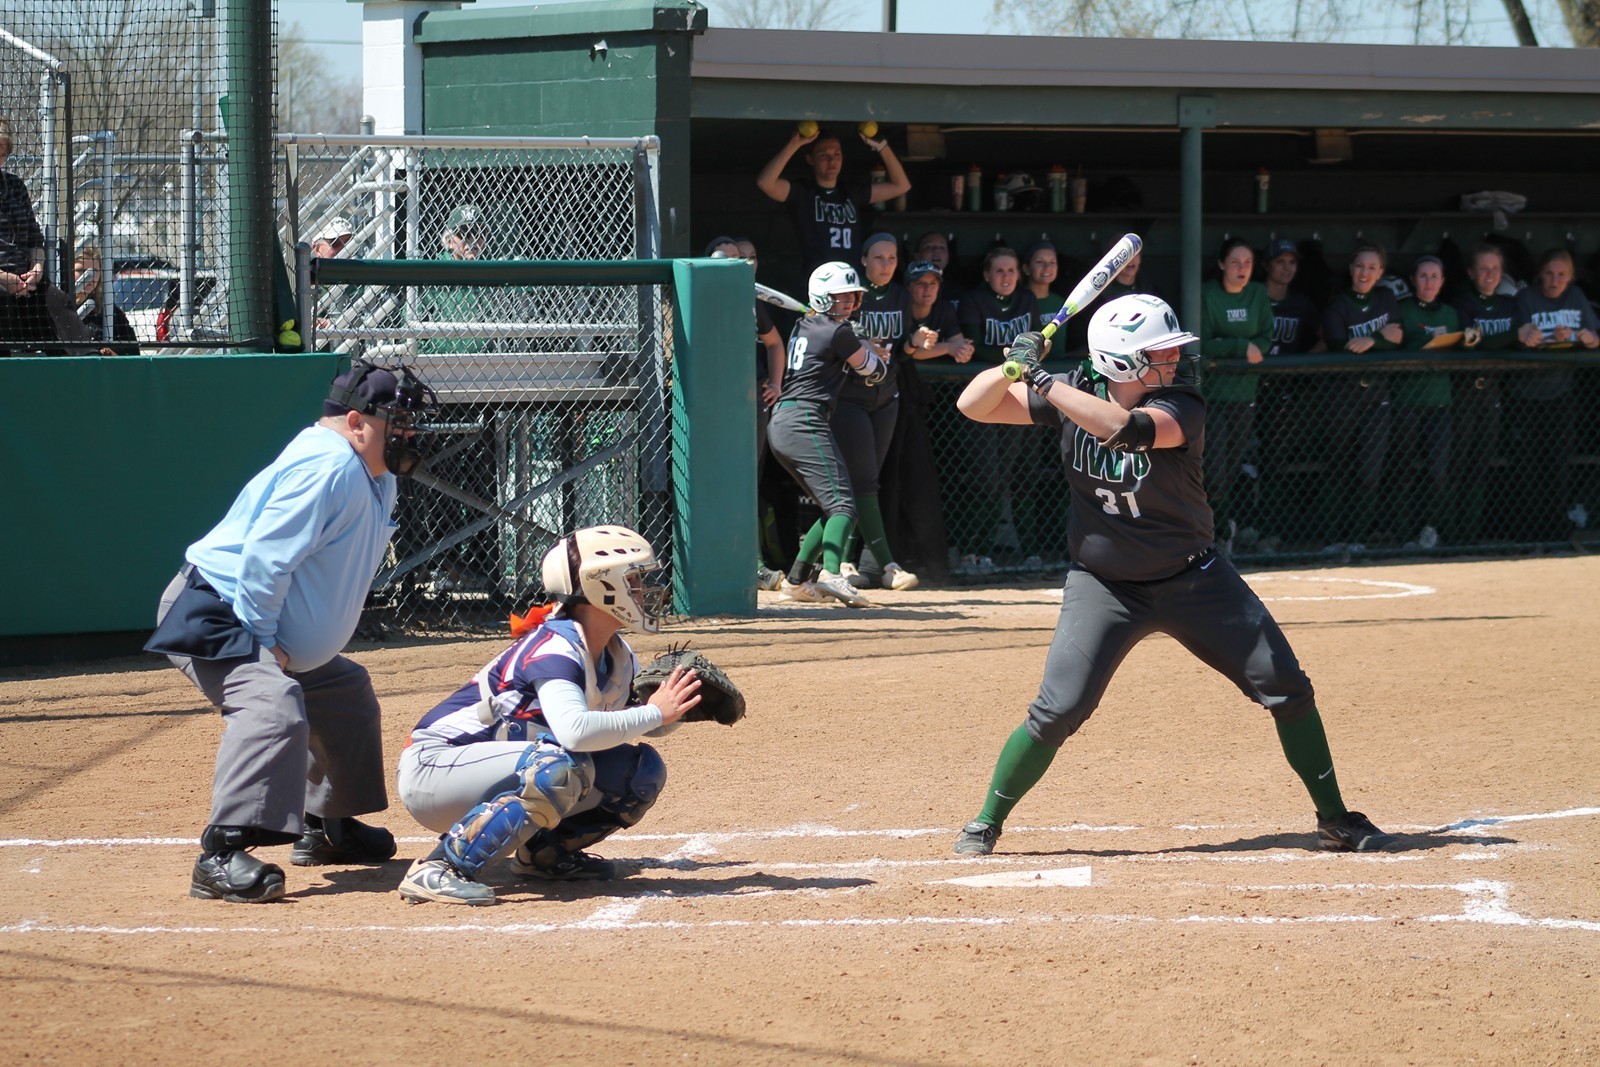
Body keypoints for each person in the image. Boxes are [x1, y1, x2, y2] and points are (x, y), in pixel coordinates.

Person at [949, 293, 1400, 859]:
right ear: (1120, 362)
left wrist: (1042, 378)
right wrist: (1012, 364)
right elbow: (974, 405)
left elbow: (1126, 429)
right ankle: (986, 820)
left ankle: (1335, 817)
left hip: (1194, 579)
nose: (1174, 360)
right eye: (1160, 353)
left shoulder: (1183, 403)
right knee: (1058, 709)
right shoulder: (1069, 392)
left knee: (1288, 687)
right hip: (1104, 585)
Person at [145, 359, 438, 903]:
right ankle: (221, 852)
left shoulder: (370, 471)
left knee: (345, 694)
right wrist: (262, 638)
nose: (409, 434)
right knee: (270, 704)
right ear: (356, 421)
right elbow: (266, 559)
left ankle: (328, 826)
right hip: (218, 609)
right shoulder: (326, 468)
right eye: (397, 423)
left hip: (253, 616)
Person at [394, 525, 701, 905]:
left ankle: (544, 856)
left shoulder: (615, 653)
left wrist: (678, 709)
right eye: (633, 580)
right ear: (600, 586)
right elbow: (575, 732)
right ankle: (440, 868)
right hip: (435, 770)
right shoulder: (555, 647)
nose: (642, 591)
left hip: (489, 767)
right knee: (560, 765)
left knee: (637, 771)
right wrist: (655, 712)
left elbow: (622, 725)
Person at [768, 261, 888, 608]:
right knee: (842, 505)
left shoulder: (804, 325)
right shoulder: (838, 332)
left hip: (787, 422)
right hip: (805, 420)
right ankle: (833, 574)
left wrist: (858, 342)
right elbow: (874, 372)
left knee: (831, 505)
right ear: (822, 297)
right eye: (840, 296)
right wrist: (872, 352)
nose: (849, 301)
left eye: (852, 295)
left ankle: (795, 581)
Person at [834, 232, 918, 590]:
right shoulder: (853, 296)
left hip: (887, 396)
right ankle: (844, 562)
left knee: (869, 481)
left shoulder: (900, 294)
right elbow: (841, 336)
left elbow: (905, 345)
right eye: (879, 258)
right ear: (864, 260)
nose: (886, 264)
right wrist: (865, 346)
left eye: (892, 258)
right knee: (856, 482)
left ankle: (862, 564)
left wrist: (919, 342)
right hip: (850, 397)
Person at [708, 235, 788, 591]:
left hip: (749, 401)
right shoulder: (698, 294)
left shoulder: (754, 301)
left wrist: (774, 383)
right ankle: (713, 565)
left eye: (742, 259)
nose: (737, 264)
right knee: (712, 481)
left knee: (747, 482)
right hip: (709, 404)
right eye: (725, 258)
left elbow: (774, 343)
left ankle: (751, 565)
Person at [1508, 248, 1600, 541]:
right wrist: (1539, 337)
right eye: (1549, 273)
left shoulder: (1576, 298)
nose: (1554, 280)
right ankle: (1528, 531)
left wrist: (1585, 338)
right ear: (1539, 274)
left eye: (1561, 274)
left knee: (1557, 463)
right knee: (1527, 465)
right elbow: (1520, 336)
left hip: (1562, 392)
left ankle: (1556, 530)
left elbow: (1593, 335)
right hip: (1526, 394)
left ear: (1571, 277)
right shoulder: (1525, 298)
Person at [955, 246, 1038, 567]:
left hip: (1017, 396)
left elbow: (1032, 343)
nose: (1006, 277)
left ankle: (1025, 551)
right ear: (987, 274)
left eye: (1011, 270)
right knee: (986, 478)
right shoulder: (974, 300)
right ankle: (971, 550)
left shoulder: (1026, 300)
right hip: (984, 398)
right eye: (999, 271)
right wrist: (1011, 358)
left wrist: (1012, 360)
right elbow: (976, 348)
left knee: (1013, 475)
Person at [1318, 242, 1403, 551]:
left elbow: (1398, 340)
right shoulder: (1338, 305)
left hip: (1377, 397)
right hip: (1342, 396)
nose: (1364, 273)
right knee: (1338, 466)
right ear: (1351, 269)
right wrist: (1380, 338)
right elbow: (1342, 347)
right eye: (1359, 266)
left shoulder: (1386, 298)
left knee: (1370, 469)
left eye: (1372, 268)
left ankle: (1357, 538)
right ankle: (1330, 537)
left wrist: (1372, 340)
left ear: (1380, 272)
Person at [1198, 237, 1274, 550]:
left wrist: (1249, 347)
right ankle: (1209, 533)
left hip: (1246, 394)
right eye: (1234, 262)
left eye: (1247, 263)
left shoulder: (1257, 294)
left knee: (1230, 469)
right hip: (1211, 397)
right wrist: (1241, 346)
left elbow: (1266, 339)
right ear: (1221, 264)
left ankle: (1223, 532)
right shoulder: (1206, 294)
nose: (1241, 269)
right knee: (1213, 472)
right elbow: (1201, 343)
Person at [756, 126, 910, 276]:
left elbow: (901, 185)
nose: (832, 161)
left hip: (850, 279)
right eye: (824, 155)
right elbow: (765, 182)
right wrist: (794, 144)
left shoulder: (851, 192)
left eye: (837, 154)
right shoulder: (803, 192)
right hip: (817, 280)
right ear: (810, 159)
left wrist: (882, 146)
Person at [1392, 255, 1462, 548]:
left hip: (1440, 402)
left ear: (1443, 281)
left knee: (1438, 470)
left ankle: (1431, 528)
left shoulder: (1449, 313)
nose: (1429, 282)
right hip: (1407, 401)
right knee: (1403, 467)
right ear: (1413, 279)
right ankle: (1401, 531)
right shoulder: (1401, 310)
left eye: (1435, 276)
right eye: (1423, 276)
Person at [1449, 245, 1517, 542]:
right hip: (1463, 392)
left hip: (1493, 393)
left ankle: (1472, 535)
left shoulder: (1509, 304)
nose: (1489, 275)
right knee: (1457, 464)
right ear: (1471, 272)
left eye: (1495, 269)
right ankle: (1450, 534)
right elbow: (1471, 340)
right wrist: (1513, 335)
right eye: (1483, 268)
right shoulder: (1461, 303)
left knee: (1480, 465)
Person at [0, 116, 64, 355]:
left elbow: (35, 237)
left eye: (3, 153)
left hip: (24, 277)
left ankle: (82, 365)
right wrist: (5, 278)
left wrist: (37, 269)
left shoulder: (15, 186)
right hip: (3, 281)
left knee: (57, 301)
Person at [71, 243, 139, 355]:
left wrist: (112, 354)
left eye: (94, 271)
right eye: (81, 270)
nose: (89, 276)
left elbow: (133, 354)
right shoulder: (55, 307)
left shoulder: (111, 312)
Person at [1023, 240, 1064, 326]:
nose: (1047, 267)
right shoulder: (1018, 303)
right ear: (1026, 268)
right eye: (1040, 262)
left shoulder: (1061, 303)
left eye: (1052, 262)